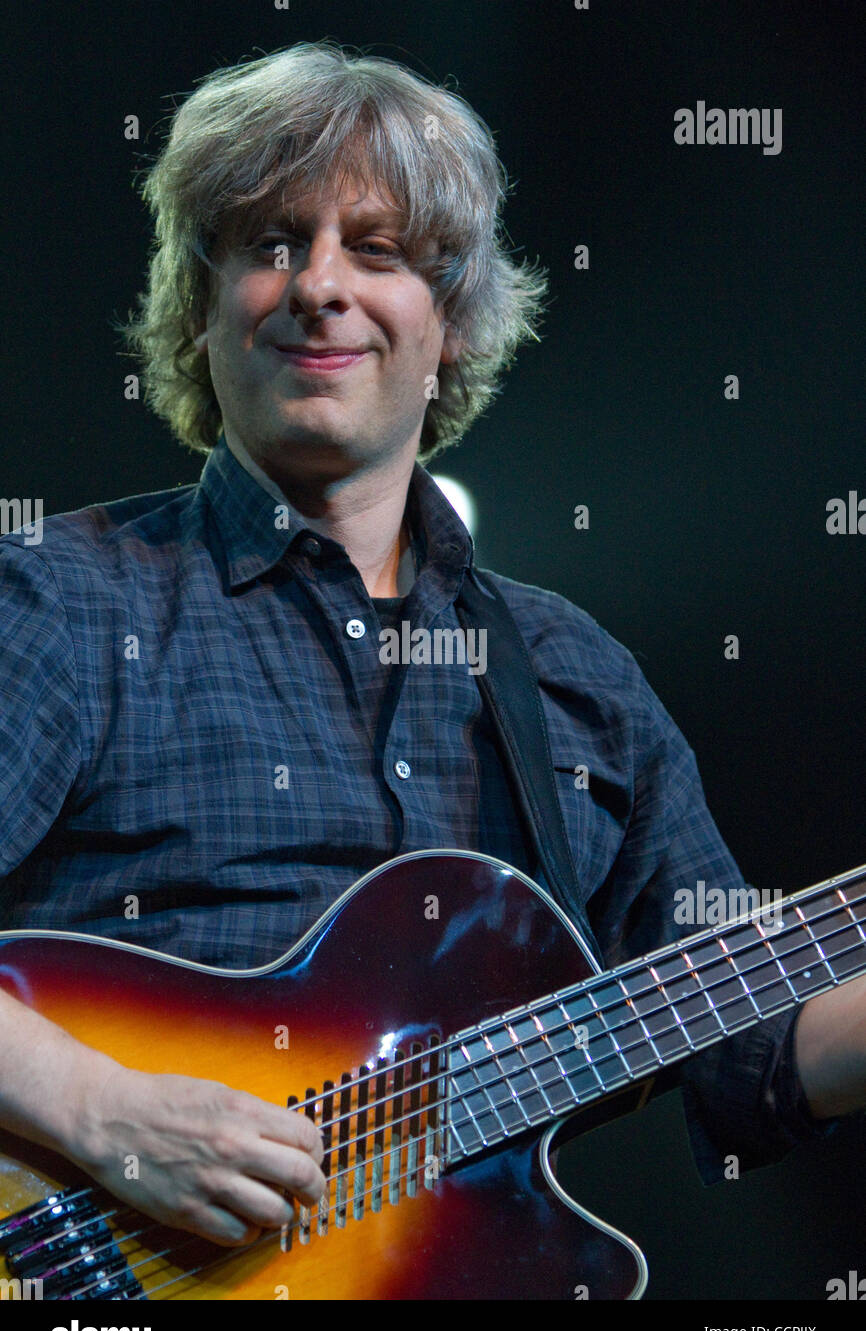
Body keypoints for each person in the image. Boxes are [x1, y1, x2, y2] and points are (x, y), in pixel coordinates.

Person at [0, 40, 863, 1266]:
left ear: (450, 321)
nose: (318, 286)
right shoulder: (67, 601)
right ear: (199, 312)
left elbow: (750, 1053)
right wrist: (105, 1113)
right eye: (268, 243)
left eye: (379, 249)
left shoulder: (577, 681)